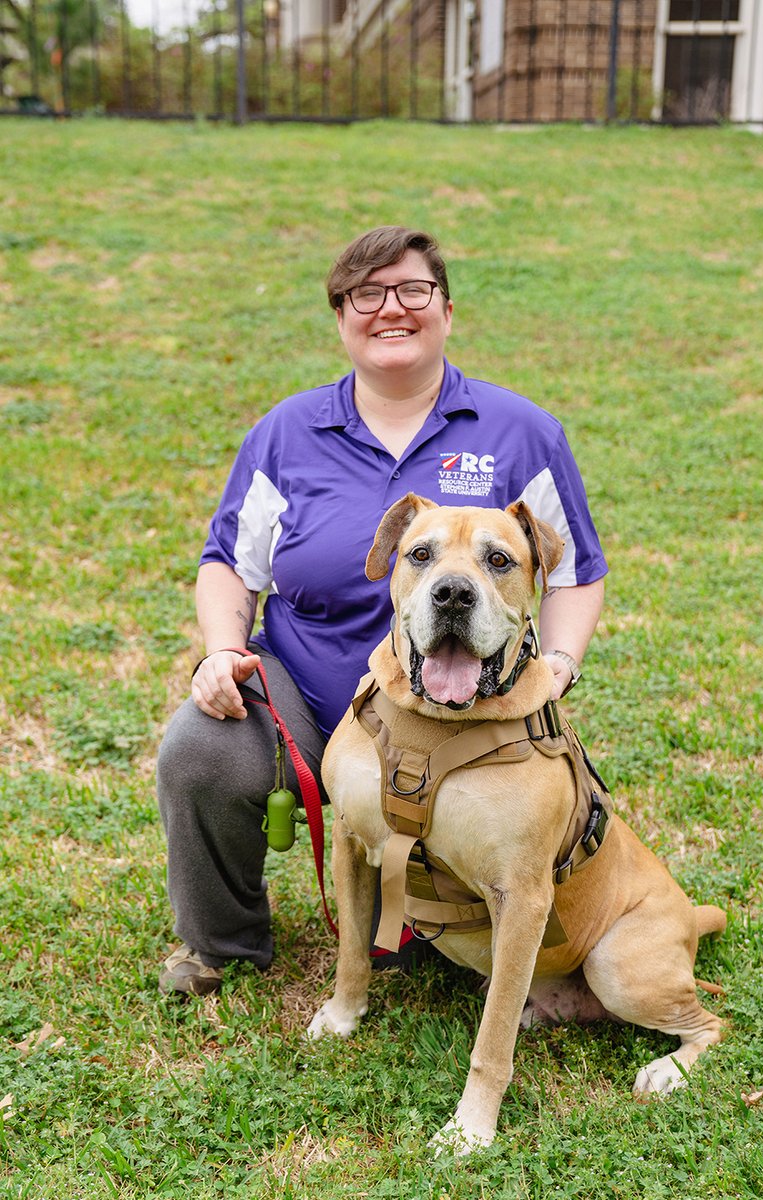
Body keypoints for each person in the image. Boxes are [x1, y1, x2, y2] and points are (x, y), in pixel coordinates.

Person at [156, 226, 608, 996]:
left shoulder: (520, 432)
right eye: (367, 294)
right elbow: (231, 564)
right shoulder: (286, 433)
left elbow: (576, 573)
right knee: (201, 747)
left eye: (413, 291)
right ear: (341, 316)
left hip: (466, 714)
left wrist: (558, 664)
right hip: (314, 697)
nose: (390, 309)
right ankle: (222, 945)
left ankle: (435, 910)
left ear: (447, 310)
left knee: (412, 952)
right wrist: (222, 649)